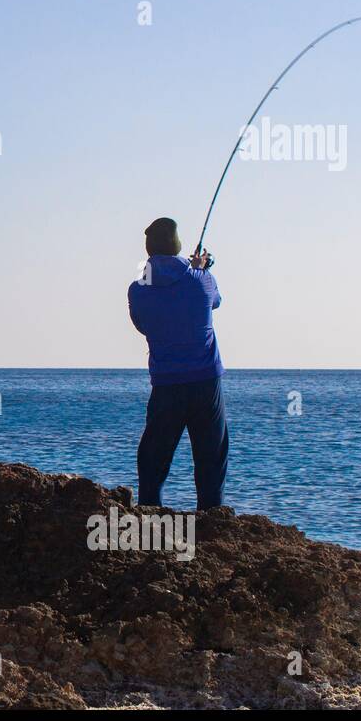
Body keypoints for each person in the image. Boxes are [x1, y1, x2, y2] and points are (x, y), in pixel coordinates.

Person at [127, 217, 228, 509]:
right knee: (210, 459)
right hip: (205, 382)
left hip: (166, 385)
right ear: (177, 245)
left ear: (149, 250)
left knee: (153, 462)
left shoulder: (138, 290)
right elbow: (217, 300)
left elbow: (142, 325)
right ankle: (212, 523)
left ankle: (149, 520)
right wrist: (198, 268)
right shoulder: (202, 281)